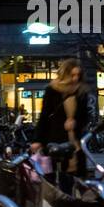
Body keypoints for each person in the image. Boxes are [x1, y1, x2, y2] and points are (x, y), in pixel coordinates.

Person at [31, 58, 93, 191]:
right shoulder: (52, 90)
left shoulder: (81, 92)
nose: (76, 78)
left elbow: (85, 116)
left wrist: (76, 122)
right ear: (65, 74)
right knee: (53, 176)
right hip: (55, 138)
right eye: (73, 75)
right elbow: (44, 116)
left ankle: (74, 204)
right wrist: (38, 140)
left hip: (75, 139)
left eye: (78, 75)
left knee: (77, 177)